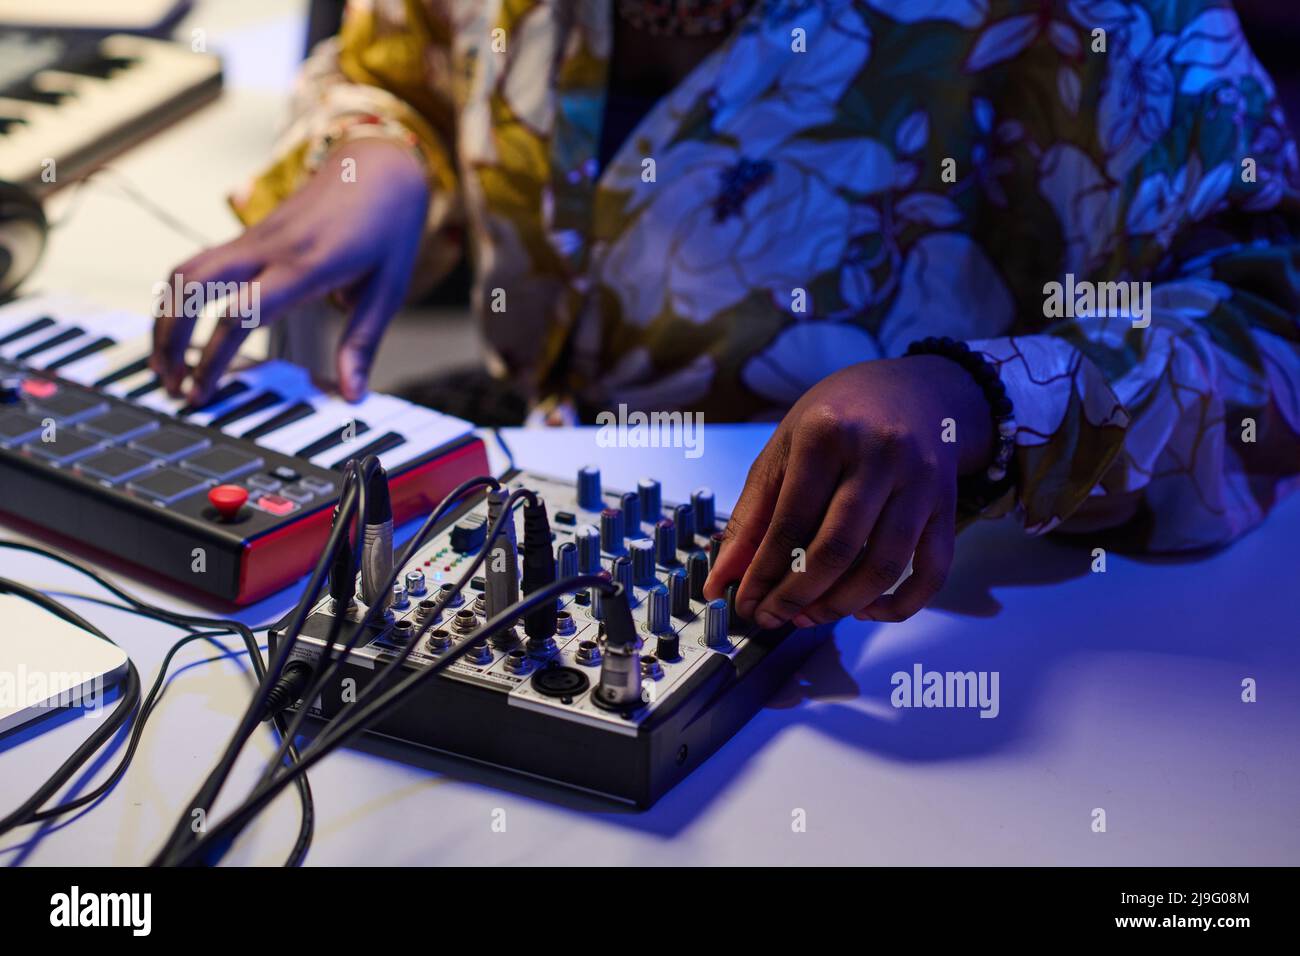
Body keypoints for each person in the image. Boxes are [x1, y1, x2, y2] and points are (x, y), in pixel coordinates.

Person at [150, 0, 1300, 630]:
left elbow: (1268, 323)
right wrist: (378, 158)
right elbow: (402, 71)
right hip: (560, 529)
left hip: (887, 626)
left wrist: (976, 399)